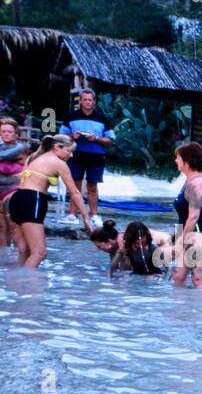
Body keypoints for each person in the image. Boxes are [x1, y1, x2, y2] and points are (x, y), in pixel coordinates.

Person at [5, 134, 92, 267]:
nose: (71, 155)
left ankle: (16, 284)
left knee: (24, 250)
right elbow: (74, 193)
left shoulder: (33, 157)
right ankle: (27, 284)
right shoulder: (58, 163)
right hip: (33, 200)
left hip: (17, 199)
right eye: (69, 151)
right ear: (57, 147)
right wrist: (86, 217)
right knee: (39, 253)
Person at [59, 89, 114, 224]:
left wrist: (96, 138)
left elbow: (110, 140)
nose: (88, 102)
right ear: (80, 101)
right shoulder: (71, 116)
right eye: (85, 99)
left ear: (94, 101)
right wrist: (73, 136)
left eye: (90, 100)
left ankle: (94, 215)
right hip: (75, 155)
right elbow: (61, 136)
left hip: (96, 156)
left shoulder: (103, 118)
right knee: (74, 185)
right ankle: (72, 214)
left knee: (92, 186)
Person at [172, 141, 202, 288]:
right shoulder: (189, 182)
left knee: (198, 279)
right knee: (178, 277)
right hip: (189, 235)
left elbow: (193, 217)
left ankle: (200, 310)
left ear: (187, 162)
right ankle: (184, 309)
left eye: (178, 158)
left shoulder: (197, 184)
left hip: (200, 236)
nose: (176, 160)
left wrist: (181, 241)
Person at [90, 220, 173, 276]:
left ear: (109, 242)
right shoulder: (122, 246)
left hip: (166, 243)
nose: (97, 249)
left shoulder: (123, 241)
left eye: (99, 246)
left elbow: (168, 268)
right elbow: (113, 266)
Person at [0, 116, 28, 250]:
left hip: (13, 188)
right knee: (1, 227)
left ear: (16, 134)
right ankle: (4, 259)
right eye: (3, 131)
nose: (6, 134)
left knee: (13, 224)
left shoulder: (22, 149)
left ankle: (19, 257)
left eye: (9, 131)